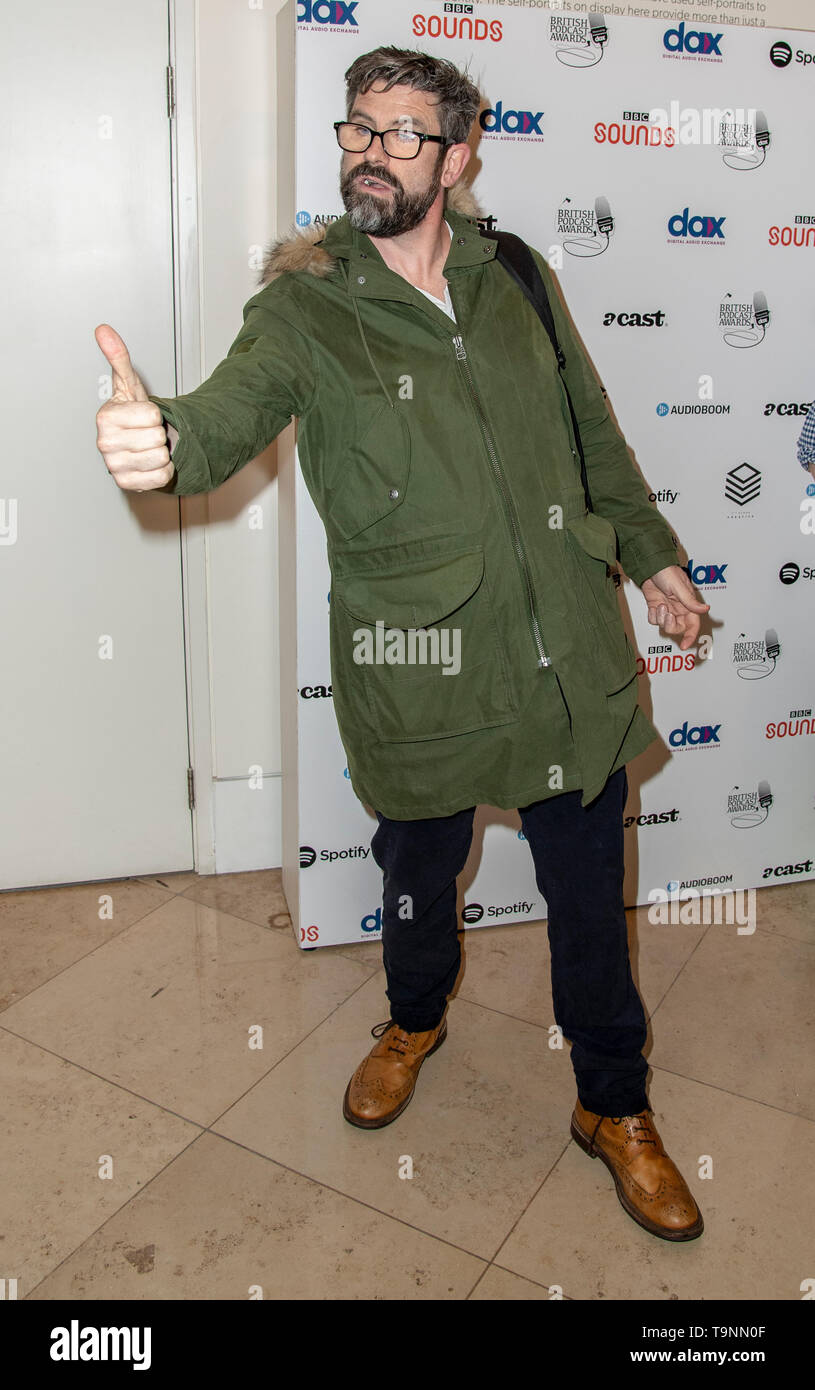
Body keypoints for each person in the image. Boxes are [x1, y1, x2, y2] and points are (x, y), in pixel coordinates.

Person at [95, 46, 711, 1242]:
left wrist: (655, 558)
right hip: (419, 675)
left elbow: (590, 435)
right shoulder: (306, 309)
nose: (370, 151)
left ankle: (612, 1104)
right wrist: (162, 441)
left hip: (565, 668)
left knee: (591, 903)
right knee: (417, 884)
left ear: (459, 156)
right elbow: (225, 416)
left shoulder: (517, 276)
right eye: (358, 128)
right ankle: (413, 1017)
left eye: (403, 133)